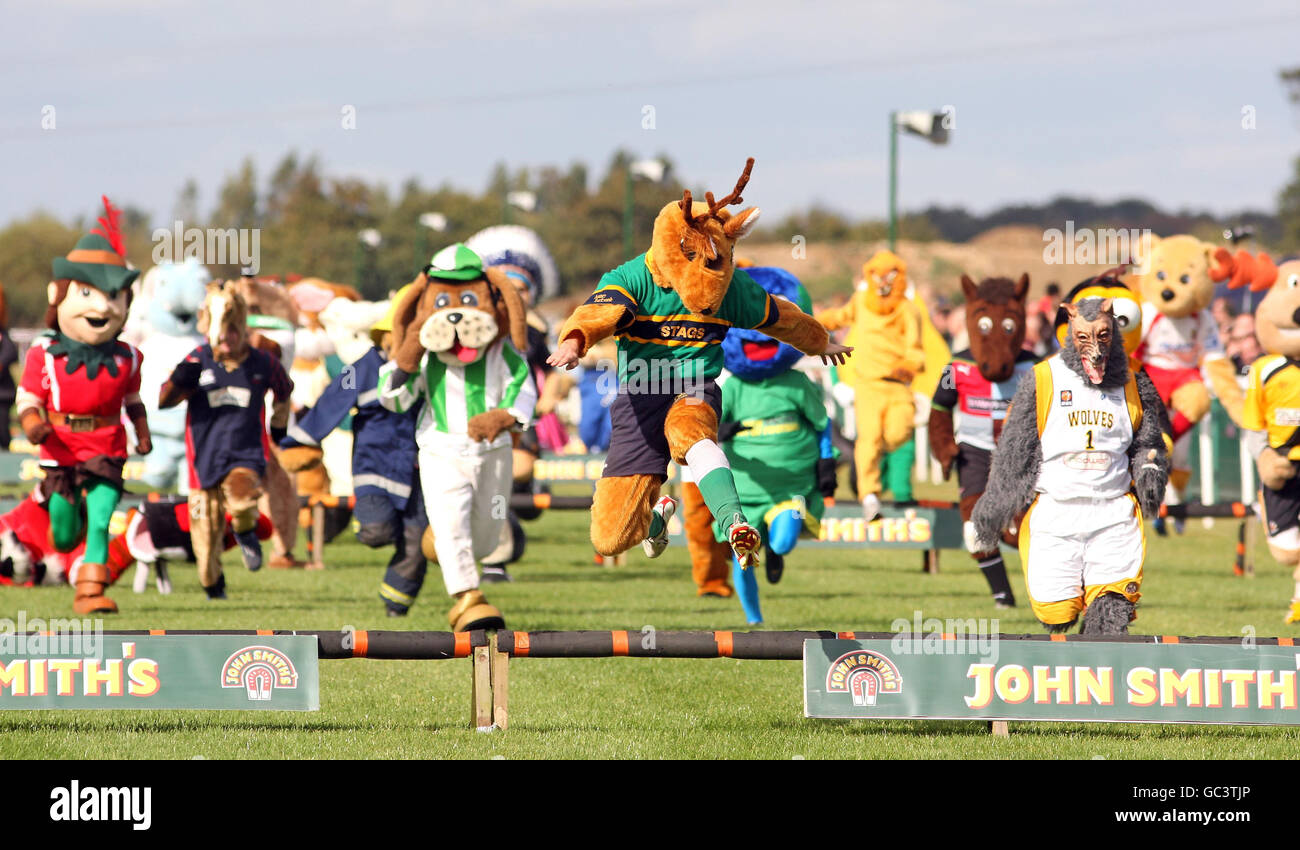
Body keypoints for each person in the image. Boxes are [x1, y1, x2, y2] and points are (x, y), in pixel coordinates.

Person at [160, 280, 293, 600]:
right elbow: (165, 400)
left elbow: (284, 390)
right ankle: (213, 587)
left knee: (244, 499)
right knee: (204, 544)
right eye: (222, 331)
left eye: (234, 331)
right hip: (203, 461)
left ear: (242, 329)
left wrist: (279, 426)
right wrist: (178, 380)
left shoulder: (261, 363)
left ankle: (246, 530)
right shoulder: (198, 358)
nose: (226, 338)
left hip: (245, 456)